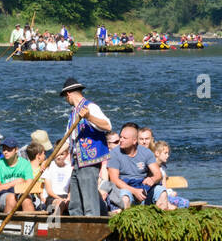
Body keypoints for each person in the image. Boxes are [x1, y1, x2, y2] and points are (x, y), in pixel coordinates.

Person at [58, 77, 112, 216]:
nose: (66, 100)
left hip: (89, 160)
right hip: (77, 162)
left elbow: (107, 125)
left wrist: (89, 117)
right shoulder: (73, 114)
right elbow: (68, 140)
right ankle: (77, 225)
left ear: (68, 94)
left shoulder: (90, 107)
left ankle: (92, 223)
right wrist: (52, 157)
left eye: (65, 96)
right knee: (75, 201)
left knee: (89, 200)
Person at [106, 122, 165, 212]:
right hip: (124, 187)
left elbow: (158, 174)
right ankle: (126, 223)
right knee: (125, 198)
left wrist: (152, 179)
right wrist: (134, 191)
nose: (121, 140)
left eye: (124, 138)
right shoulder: (114, 154)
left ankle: (160, 221)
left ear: (134, 141)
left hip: (143, 186)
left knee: (162, 192)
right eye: (120, 137)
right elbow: (114, 180)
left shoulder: (146, 153)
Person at [0, 137, 35, 214]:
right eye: (4, 149)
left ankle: (31, 224)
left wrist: (8, 186)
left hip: (21, 193)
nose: (5, 152)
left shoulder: (25, 164)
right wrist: (14, 183)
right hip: (1, 196)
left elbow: (29, 185)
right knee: (11, 198)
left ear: (16, 150)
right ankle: (7, 224)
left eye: (9, 149)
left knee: (27, 200)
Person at [153, 140, 190, 209]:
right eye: (165, 153)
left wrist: (170, 192)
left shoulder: (162, 167)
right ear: (157, 153)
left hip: (165, 194)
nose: (168, 155)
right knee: (185, 203)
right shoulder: (153, 167)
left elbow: (164, 185)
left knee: (184, 201)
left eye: (168, 153)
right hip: (158, 196)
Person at [42, 145, 73, 214]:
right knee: (60, 203)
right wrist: (60, 199)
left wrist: (68, 198)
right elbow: (49, 191)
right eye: (57, 154)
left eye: (62, 154)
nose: (59, 157)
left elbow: (71, 187)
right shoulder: (50, 166)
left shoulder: (70, 167)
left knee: (72, 204)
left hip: (65, 196)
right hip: (52, 197)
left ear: (67, 154)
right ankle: (54, 223)